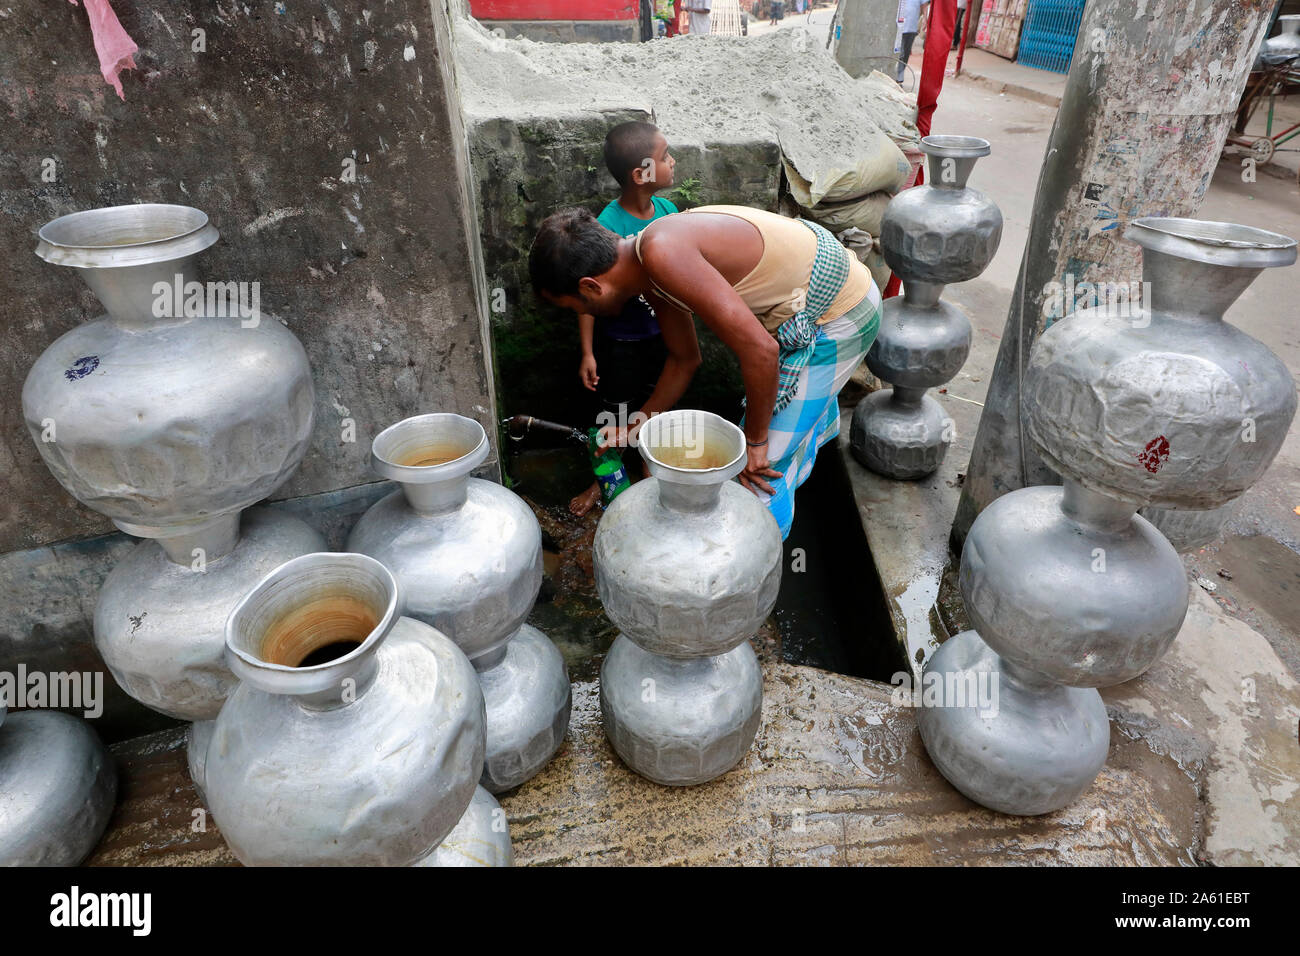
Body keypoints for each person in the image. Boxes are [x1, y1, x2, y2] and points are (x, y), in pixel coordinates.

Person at [530, 205, 881, 539]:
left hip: (839, 312)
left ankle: (756, 573)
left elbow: (761, 351)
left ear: (591, 286)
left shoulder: (662, 254)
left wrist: (757, 443)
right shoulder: (647, 262)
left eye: (575, 306)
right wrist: (634, 428)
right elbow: (685, 359)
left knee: (754, 476)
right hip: (810, 297)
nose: (584, 313)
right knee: (761, 449)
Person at [568, 122, 679, 516]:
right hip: (620, 343)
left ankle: (648, 467)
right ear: (641, 174)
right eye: (665, 157)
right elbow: (588, 298)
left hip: (663, 339)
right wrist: (587, 352)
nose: (673, 162)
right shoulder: (608, 227)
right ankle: (604, 480)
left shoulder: (668, 214)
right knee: (612, 411)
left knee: (655, 405)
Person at [896, 0, 930, 84]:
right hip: (898, 23)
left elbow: (924, 5)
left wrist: (925, 20)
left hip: (912, 24)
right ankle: (899, 76)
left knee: (906, 51)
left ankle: (900, 72)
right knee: (901, 51)